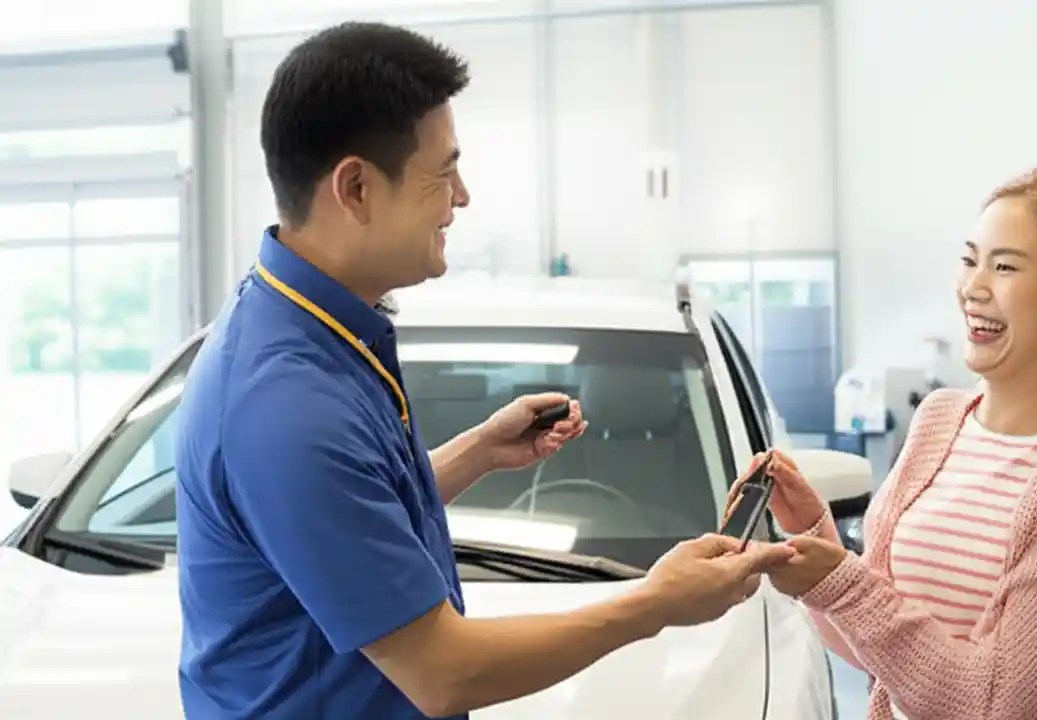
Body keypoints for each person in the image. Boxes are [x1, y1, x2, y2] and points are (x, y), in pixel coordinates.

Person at [173, 21, 793, 720]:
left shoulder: (311, 328)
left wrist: (478, 452)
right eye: (443, 172)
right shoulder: (286, 405)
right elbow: (444, 672)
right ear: (356, 189)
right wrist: (654, 603)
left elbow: (351, 514)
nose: (461, 197)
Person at [734, 163, 1037, 719]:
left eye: (1004, 267)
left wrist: (840, 582)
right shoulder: (941, 421)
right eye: (969, 260)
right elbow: (880, 650)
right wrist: (813, 539)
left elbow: (992, 703)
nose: (972, 288)